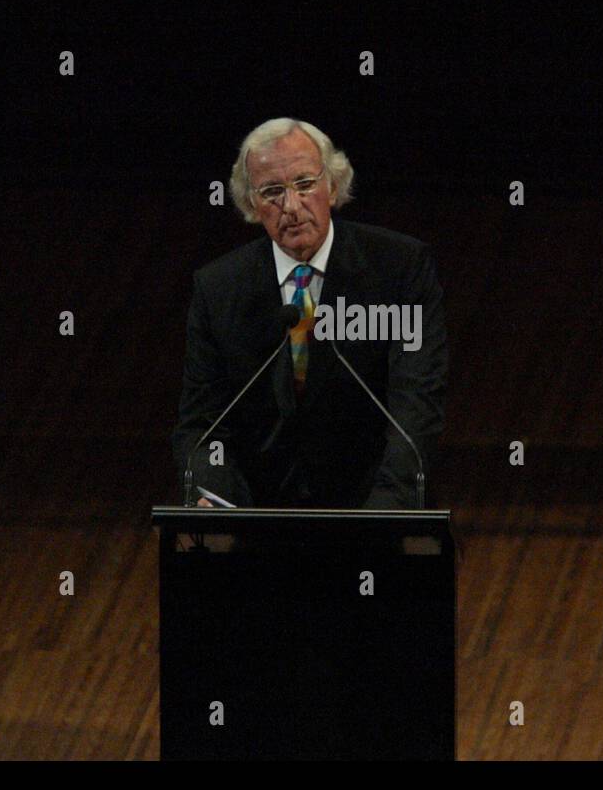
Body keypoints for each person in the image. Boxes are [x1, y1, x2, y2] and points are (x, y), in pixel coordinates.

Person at [171, 117, 447, 509]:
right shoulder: (219, 288)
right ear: (251, 204)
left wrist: (387, 507)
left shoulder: (399, 268)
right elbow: (202, 423)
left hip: (377, 507)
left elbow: (416, 402)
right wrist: (217, 497)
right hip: (257, 517)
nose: (291, 206)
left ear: (332, 186)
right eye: (272, 191)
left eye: (304, 184)